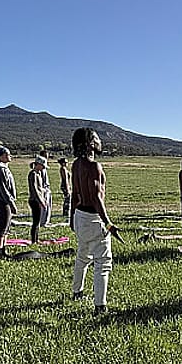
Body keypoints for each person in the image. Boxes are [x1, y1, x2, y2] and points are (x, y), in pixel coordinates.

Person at [70, 127, 116, 315]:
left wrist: (71, 218)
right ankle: (100, 305)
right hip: (94, 218)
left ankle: (76, 290)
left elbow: (74, 193)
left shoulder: (75, 165)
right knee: (103, 262)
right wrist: (108, 223)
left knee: (82, 256)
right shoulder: (94, 167)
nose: (100, 141)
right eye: (97, 138)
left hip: (80, 216)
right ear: (90, 144)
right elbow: (97, 198)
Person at [0, 146, 18, 256]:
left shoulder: (4, 168)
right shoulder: (0, 170)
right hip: (3, 202)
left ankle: (3, 249)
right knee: (2, 227)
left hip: (5, 201)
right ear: (1, 157)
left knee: (7, 227)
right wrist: (11, 202)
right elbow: (3, 189)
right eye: (7, 154)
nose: (9, 156)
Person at [28, 155, 50, 244]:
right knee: (36, 222)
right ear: (38, 164)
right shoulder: (33, 174)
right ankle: (34, 240)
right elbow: (35, 189)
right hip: (35, 200)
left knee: (38, 221)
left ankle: (36, 239)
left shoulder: (38, 174)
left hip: (38, 200)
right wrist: (41, 201)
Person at [39, 149, 53, 227]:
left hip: (47, 188)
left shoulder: (44, 167)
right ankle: (43, 222)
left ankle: (46, 221)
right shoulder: (41, 168)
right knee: (44, 206)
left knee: (48, 206)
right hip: (44, 189)